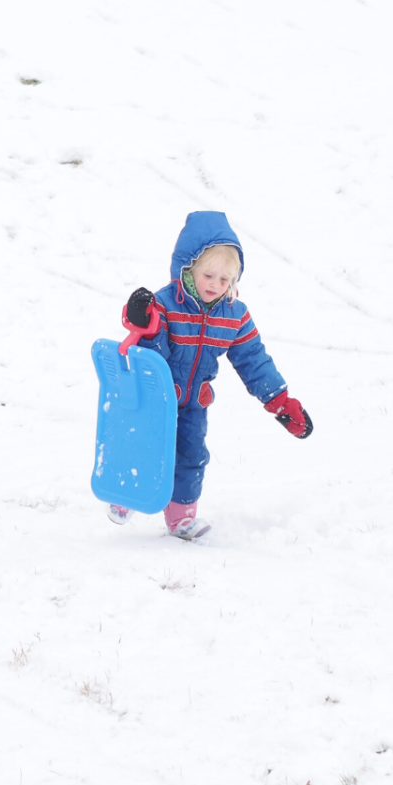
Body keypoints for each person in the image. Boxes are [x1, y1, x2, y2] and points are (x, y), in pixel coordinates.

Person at [115, 211, 312, 540]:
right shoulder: (166, 303)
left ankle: (181, 517)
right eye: (209, 275)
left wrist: (279, 401)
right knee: (146, 445)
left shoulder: (234, 315)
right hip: (157, 395)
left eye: (225, 280)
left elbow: (253, 358)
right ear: (188, 267)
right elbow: (147, 349)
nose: (216, 286)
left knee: (193, 455)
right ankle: (126, 494)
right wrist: (143, 322)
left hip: (194, 402)